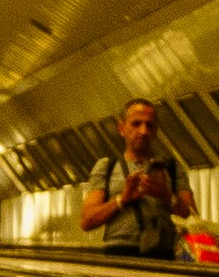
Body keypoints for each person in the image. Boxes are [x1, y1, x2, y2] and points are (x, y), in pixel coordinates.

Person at [77, 100, 193, 260]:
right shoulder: (106, 167)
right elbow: (86, 221)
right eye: (136, 124)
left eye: (149, 125)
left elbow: (191, 216)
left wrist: (166, 195)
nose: (143, 131)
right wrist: (122, 199)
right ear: (122, 128)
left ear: (155, 130)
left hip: (163, 255)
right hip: (119, 255)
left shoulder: (171, 167)